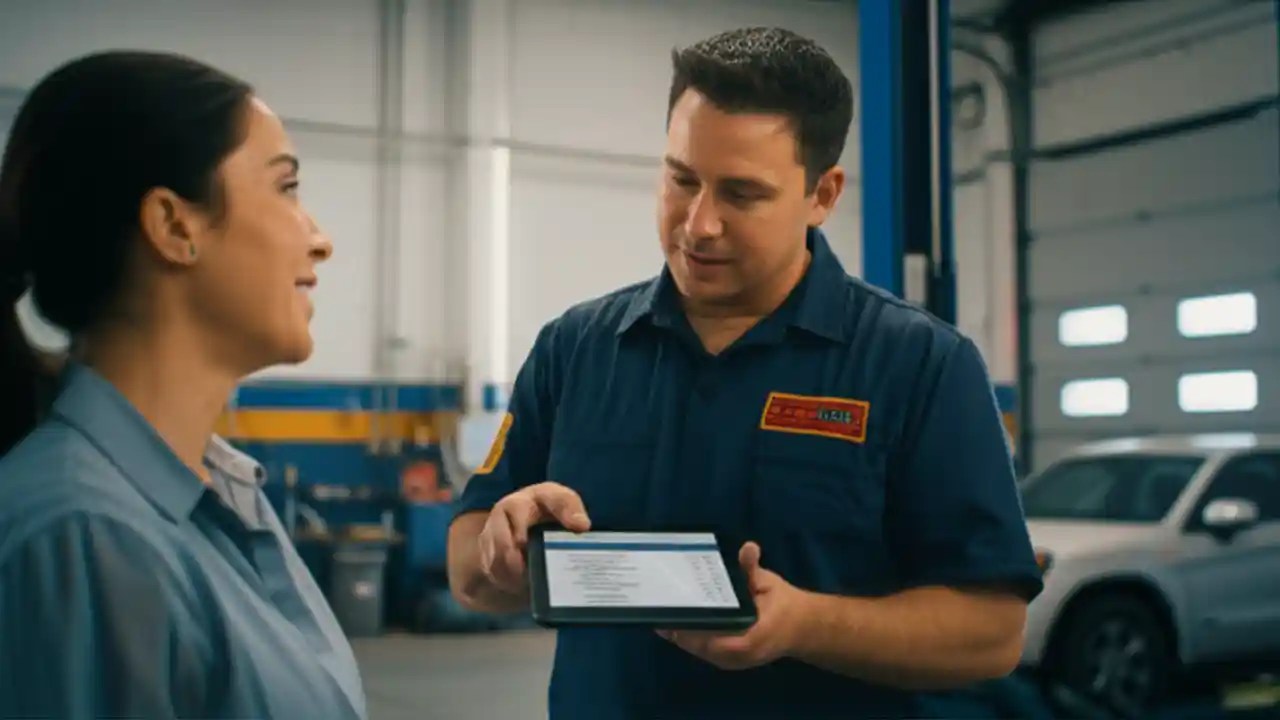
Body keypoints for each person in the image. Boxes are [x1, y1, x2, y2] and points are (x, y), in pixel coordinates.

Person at [448, 26, 1044, 719]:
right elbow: (469, 571)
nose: (699, 225)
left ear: (823, 194)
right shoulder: (576, 349)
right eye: (681, 180)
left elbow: (992, 632)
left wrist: (804, 624)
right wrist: (503, 551)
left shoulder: (920, 367)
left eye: (742, 194)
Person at [0, 51, 366, 719]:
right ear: (174, 226)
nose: (320, 239)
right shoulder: (84, 539)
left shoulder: (224, 495)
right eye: (286, 188)